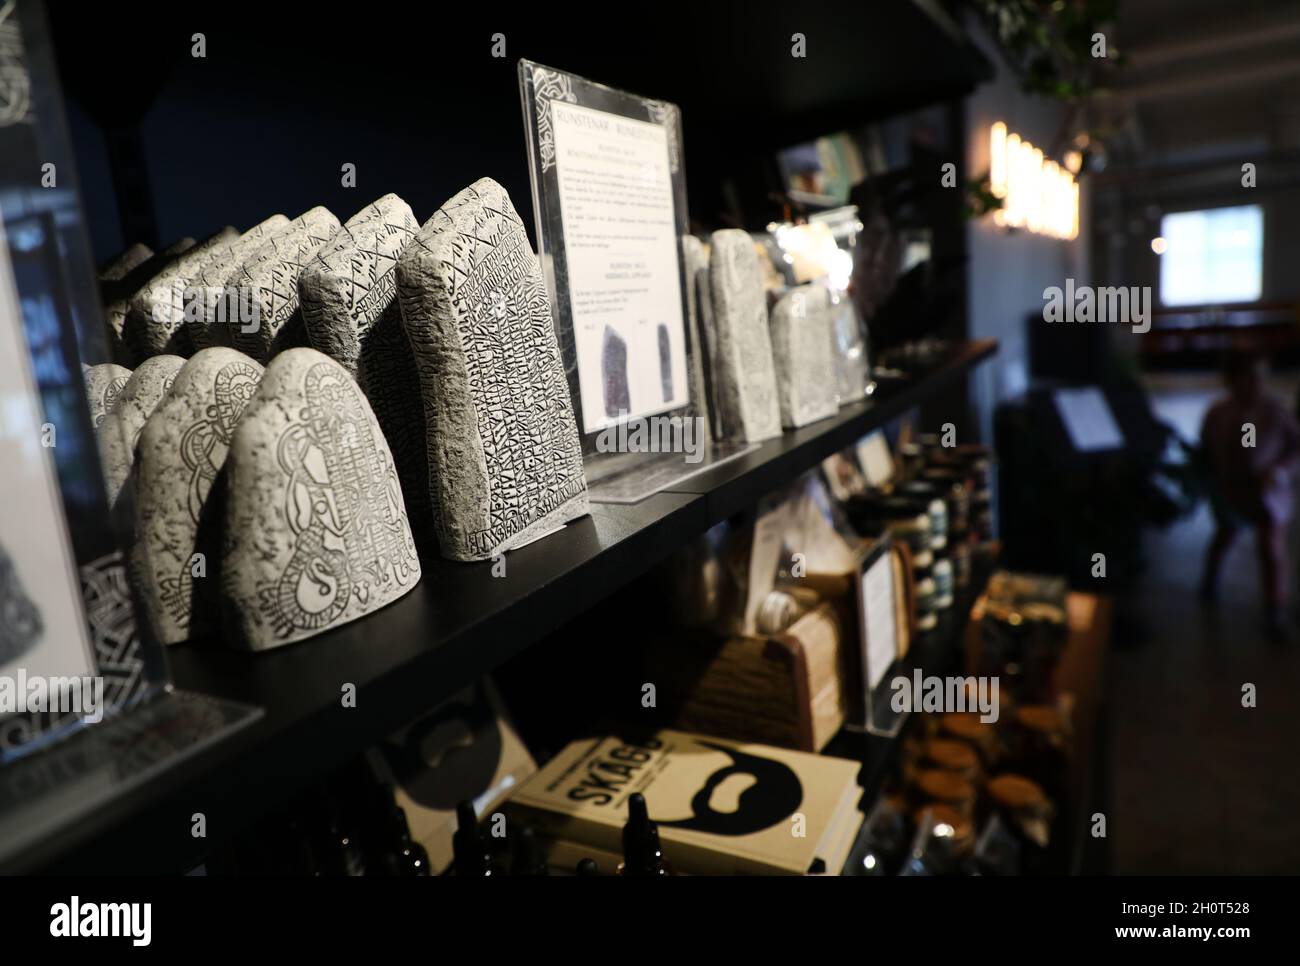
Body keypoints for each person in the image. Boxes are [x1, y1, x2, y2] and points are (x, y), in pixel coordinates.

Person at [1199, 353, 1300, 638]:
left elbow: (1295, 446)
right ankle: (1210, 582)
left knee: (1270, 549)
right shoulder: (1218, 413)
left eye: (1260, 377)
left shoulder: (1276, 411)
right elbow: (1205, 449)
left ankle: (1275, 608)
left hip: (1267, 493)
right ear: (1232, 382)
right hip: (1231, 491)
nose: (1257, 384)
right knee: (1224, 536)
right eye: (1249, 378)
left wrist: (1279, 471)